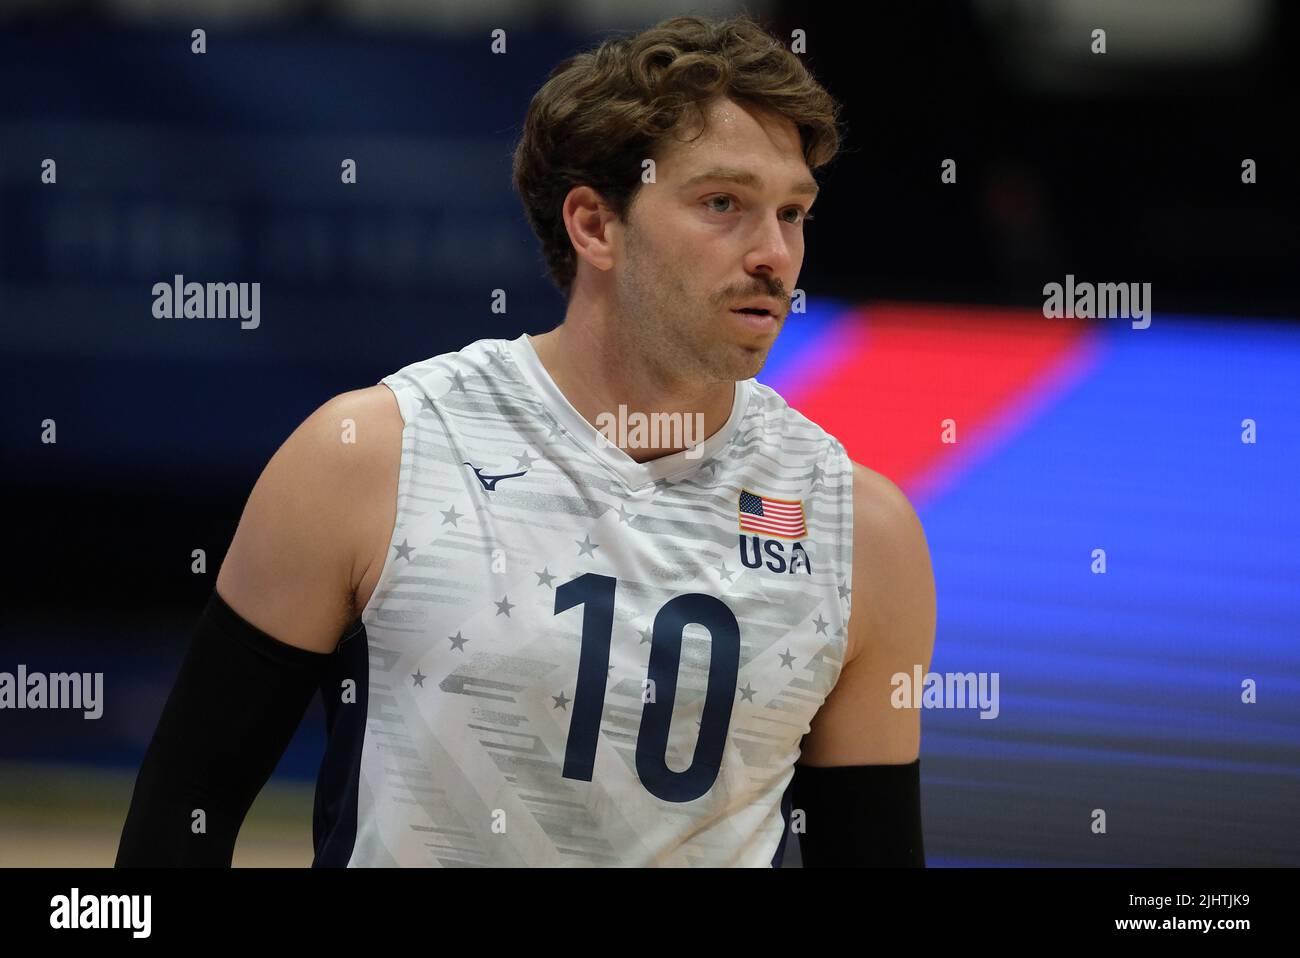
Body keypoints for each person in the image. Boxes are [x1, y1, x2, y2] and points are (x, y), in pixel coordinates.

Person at [116, 13, 935, 868]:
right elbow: (178, 820)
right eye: (723, 203)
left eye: (793, 212)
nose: (773, 253)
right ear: (594, 225)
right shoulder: (371, 456)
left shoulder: (859, 531)